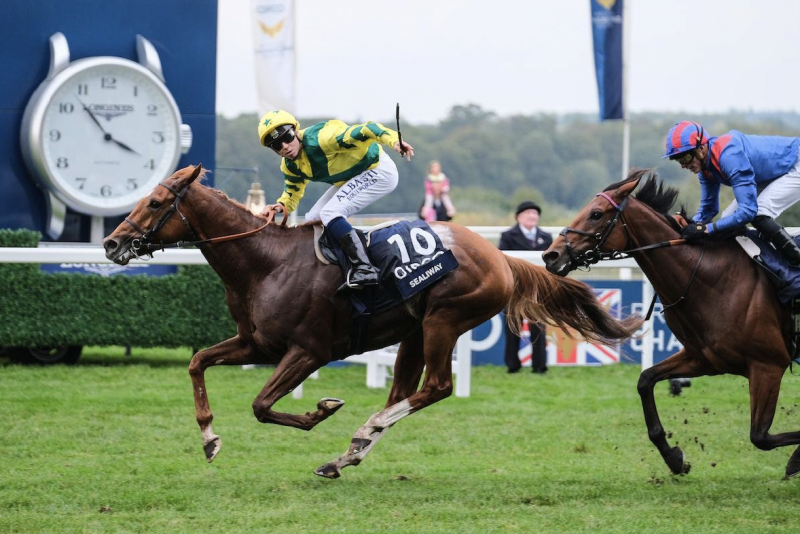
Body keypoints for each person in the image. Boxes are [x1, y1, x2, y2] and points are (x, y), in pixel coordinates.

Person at [257, 110, 414, 289]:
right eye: (277, 145)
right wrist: (280, 206)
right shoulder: (289, 165)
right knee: (312, 219)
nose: (285, 146)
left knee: (330, 212)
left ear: (296, 131)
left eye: (288, 137)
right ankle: (337, 270)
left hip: (379, 171)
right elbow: (292, 192)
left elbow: (369, 129)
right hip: (353, 177)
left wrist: (394, 140)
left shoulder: (325, 138)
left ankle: (365, 268)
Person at [664, 120, 800, 265]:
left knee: (760, 211)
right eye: (679, 160)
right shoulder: (704, 169)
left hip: (795, 163)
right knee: (727, 217)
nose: (683, 165)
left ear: (701, 149)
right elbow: (709, 209)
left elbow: (748, 211)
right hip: (773, 173)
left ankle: (796, 263)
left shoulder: (729, 156)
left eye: (685, 157)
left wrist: (706, 229)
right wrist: (690, 225)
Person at [498, 201, 552, 374]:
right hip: (515, 290)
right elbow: (503, 262)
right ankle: (513, 366)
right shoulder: (507, 236)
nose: (532, 216)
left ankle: (540, 366)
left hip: (538, 290)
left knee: (539, 329)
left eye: (535, 213)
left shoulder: (546, 237)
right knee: (513, 328)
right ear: (519, 217)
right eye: (528, 213)